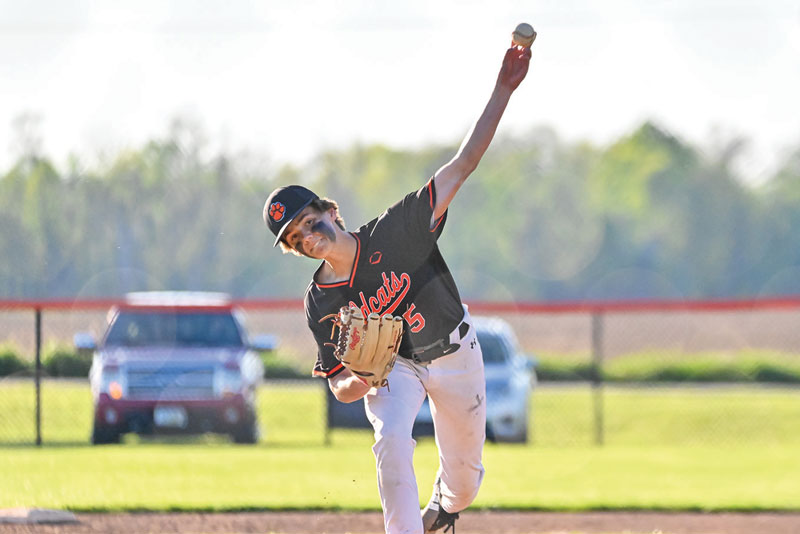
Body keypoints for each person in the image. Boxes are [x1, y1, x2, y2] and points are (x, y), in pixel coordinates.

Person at [263, 39, 531, 534]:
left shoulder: (398, 231)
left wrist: (503, 89)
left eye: (307, 221)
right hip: (395, 371)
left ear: (331, 211)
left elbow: (464, 163)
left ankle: (444, 509)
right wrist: (364, 375)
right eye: (295, 239)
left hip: (454, 353)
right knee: (390, 443)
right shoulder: (319, 301)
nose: (307, 238)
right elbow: (341, 386)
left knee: (466, 483)